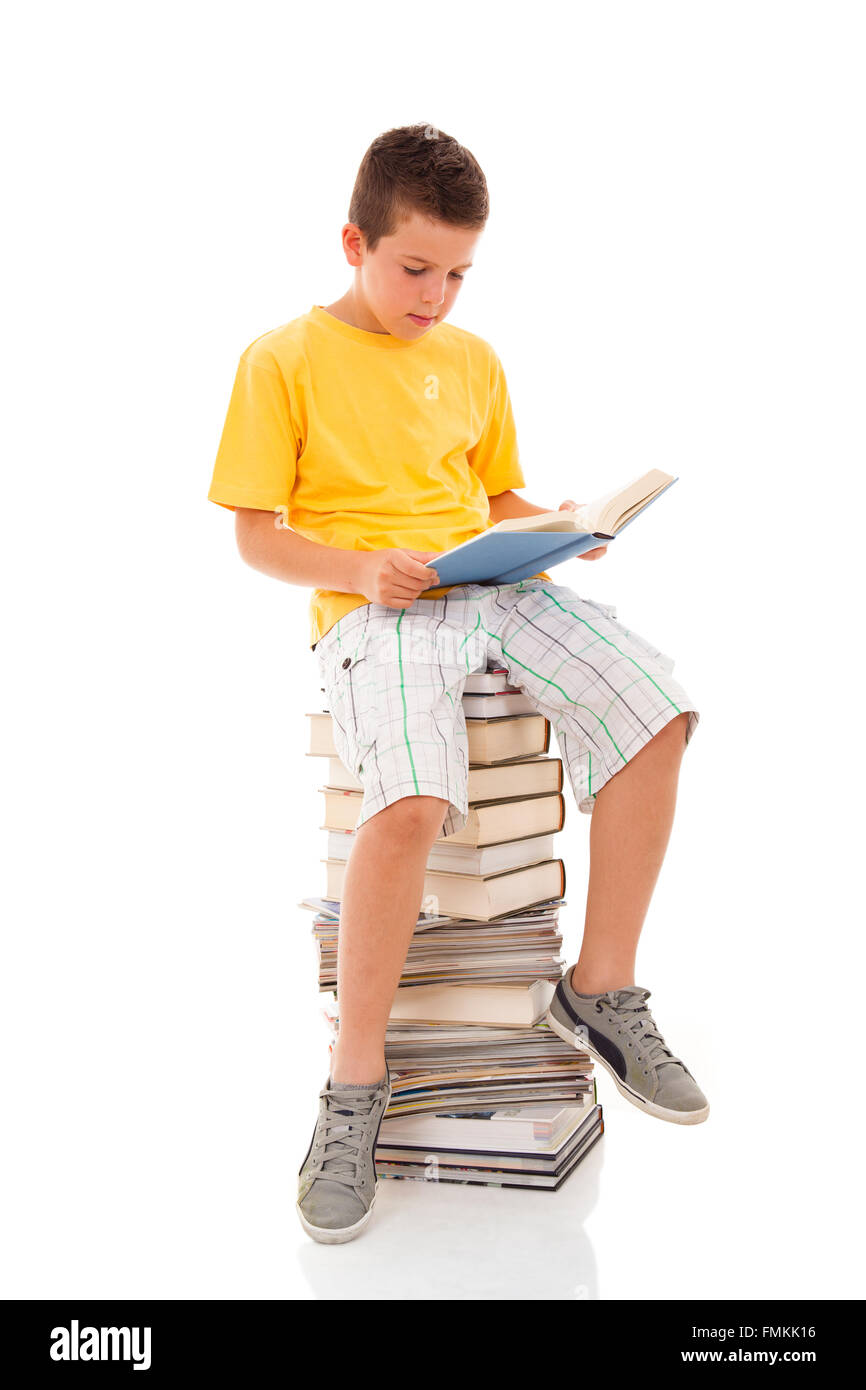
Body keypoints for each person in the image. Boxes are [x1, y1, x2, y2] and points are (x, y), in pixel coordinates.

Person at [208, 123, 708, 1247]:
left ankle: (602, 985)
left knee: (655, 713)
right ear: (355, 241)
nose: (434, 296)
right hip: (375, 609)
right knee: (412, 799)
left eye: (456, 274)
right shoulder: (280, 358)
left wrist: (562, 525)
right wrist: (354, 568)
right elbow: (253, 535)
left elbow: (490, 497)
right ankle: (353, 1087)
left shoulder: (472, 358)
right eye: (413, 269)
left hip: (492, 590)